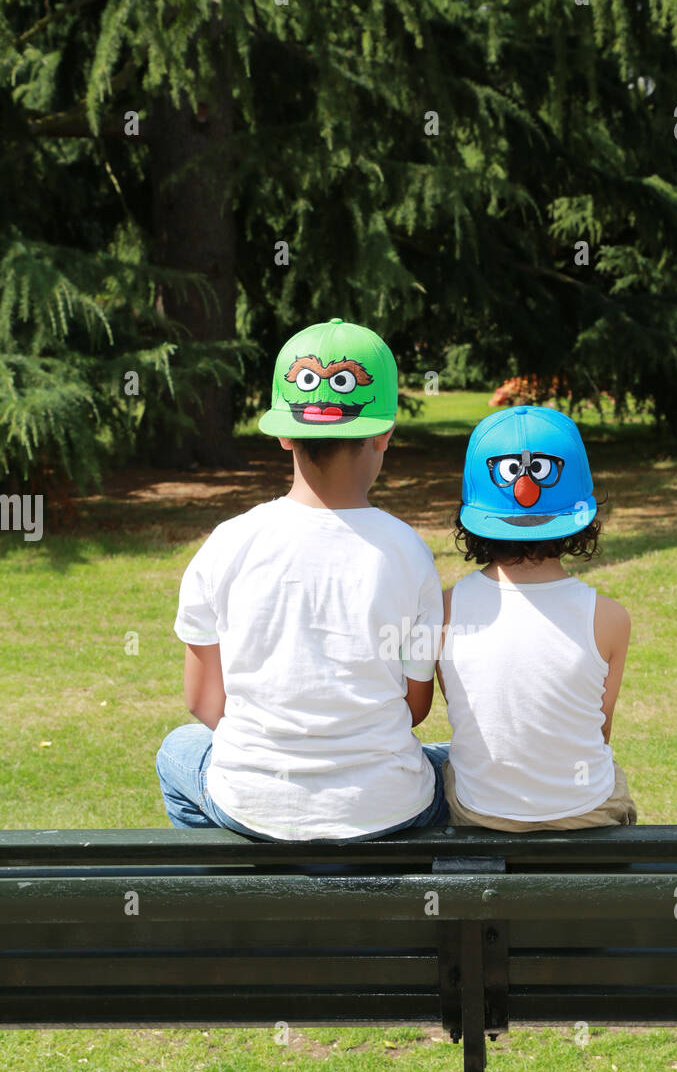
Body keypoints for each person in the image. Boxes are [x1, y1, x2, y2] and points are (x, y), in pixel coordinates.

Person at [156, 317, 448, 842]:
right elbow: (416, 707)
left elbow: (202, 703)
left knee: (177, 749)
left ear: (283, 433)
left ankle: (228, 888)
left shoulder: (227, 542)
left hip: (252, 804)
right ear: (384, 434)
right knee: (449, 767)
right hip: (383, 808)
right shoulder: (409, 551)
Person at [436, 403, 637, 831]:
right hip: (586, 815)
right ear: (582, 513)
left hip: (482, 815)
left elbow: (472, 716)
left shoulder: (445, 609)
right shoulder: (610, 618)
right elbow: (598, 733)